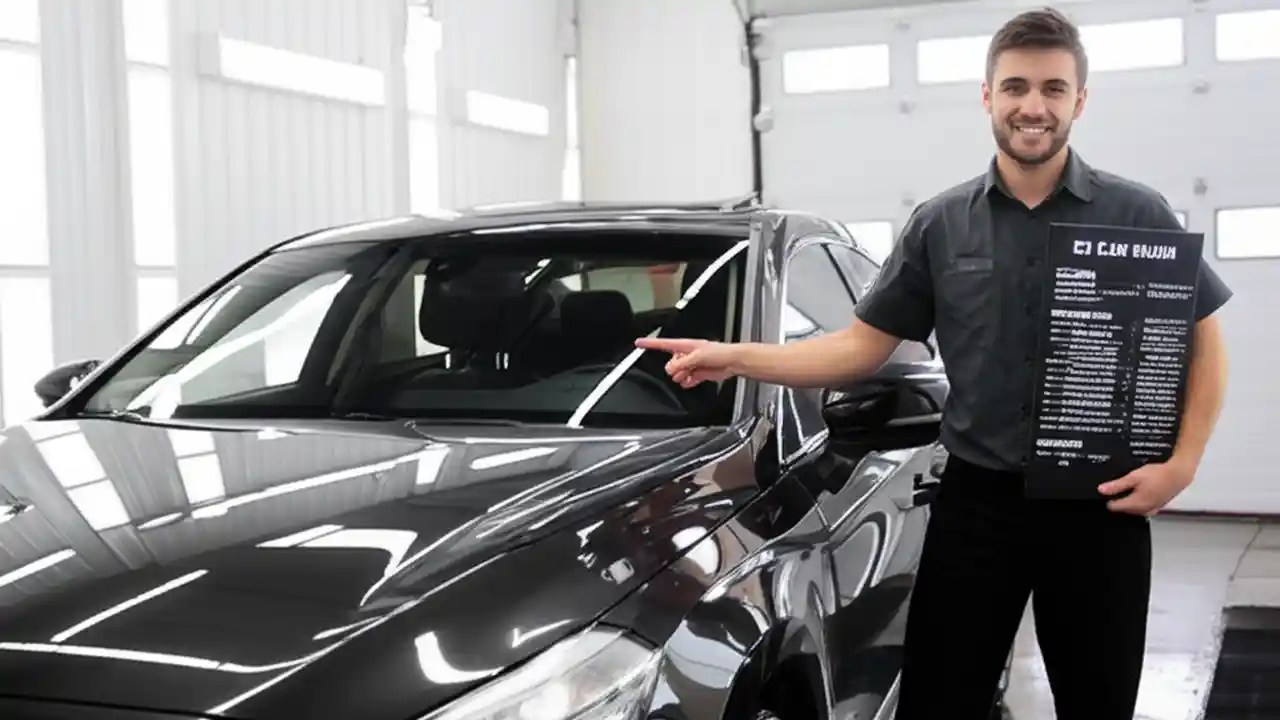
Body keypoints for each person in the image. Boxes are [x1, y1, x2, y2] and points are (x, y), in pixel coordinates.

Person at [637, 7, 1232, 720]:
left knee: (1097, 703)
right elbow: (859, 348)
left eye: (1051, 88)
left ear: (1080, 99)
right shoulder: (941, 224)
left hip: (1098, 511)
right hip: (978, 509)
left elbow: (1204, 342)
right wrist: (736, 357)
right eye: (1015, 87)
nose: (1032, 106)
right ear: (987, 97)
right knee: (941, 700)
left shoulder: (1138, 215)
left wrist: (1183, 464)